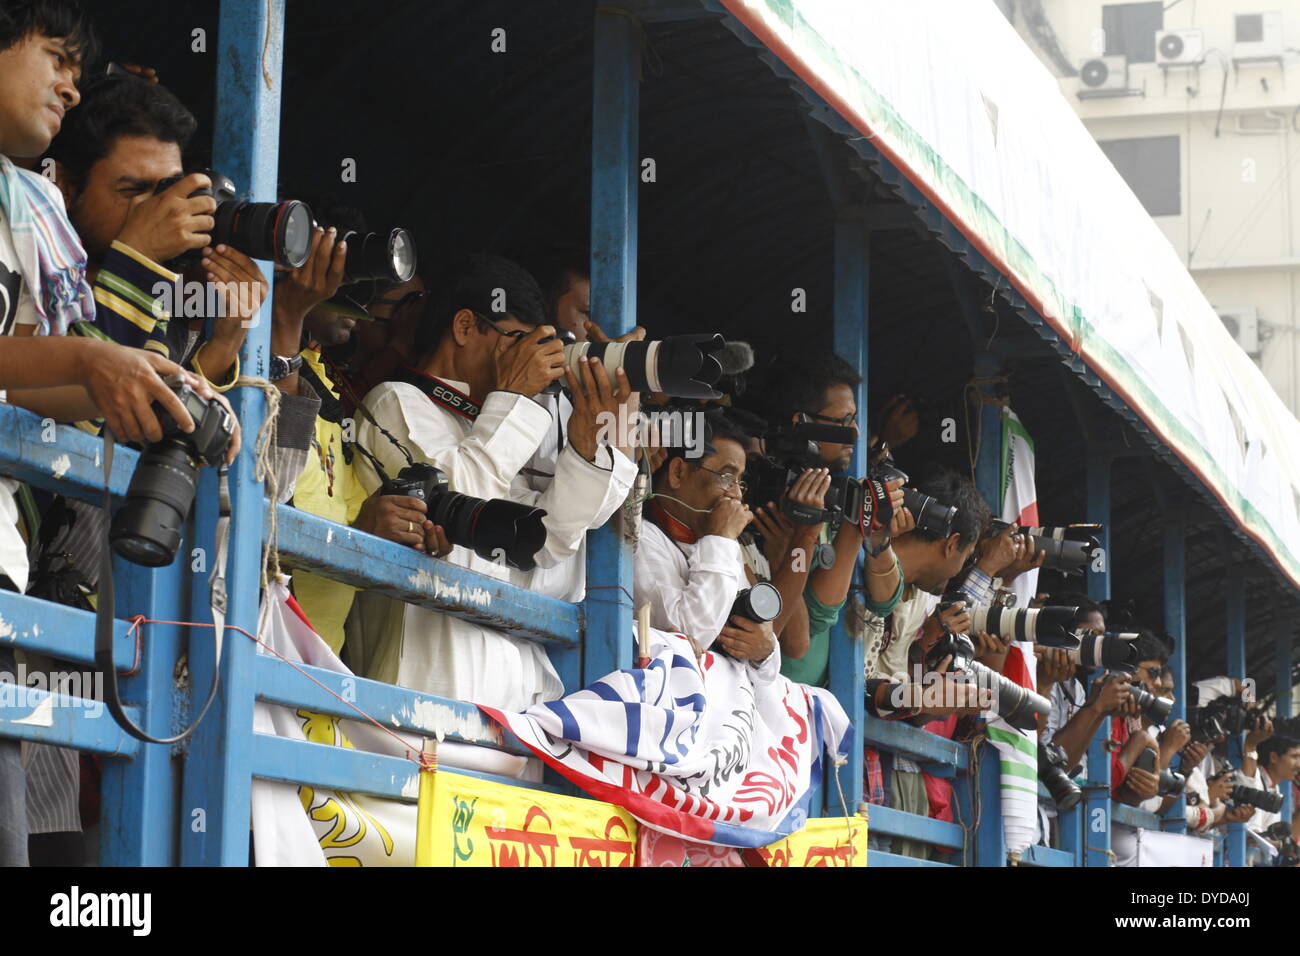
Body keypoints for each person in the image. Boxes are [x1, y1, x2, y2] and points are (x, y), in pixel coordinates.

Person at [0, 0, 240, 868]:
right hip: (30, 625)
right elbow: (57, 383)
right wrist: (132, 268)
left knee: (76, 874)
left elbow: (262, 497)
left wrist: (227, 349)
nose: (164, 215)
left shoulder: (176, 317)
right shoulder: (43, 254)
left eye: (174, 194)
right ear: (63, 183)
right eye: (133, 193)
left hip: (112, 661)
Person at [345, 254, 637, 773]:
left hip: (510, 726)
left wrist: (590, 444)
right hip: (421, 719)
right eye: (518, 343)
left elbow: (549, 542)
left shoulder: (504, 426)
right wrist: (515, 398)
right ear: (464, 326)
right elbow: (453, 505)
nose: (533, 363)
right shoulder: (395, 402)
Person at [633, 411, 776, 670]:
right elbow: (689, 634)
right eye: (726, 477)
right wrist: (720, 538)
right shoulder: (639, 538)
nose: (736, 495)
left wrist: (765, 650)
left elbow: (767, 665)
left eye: (739, 482)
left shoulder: (724, 545)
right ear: (678, 472)